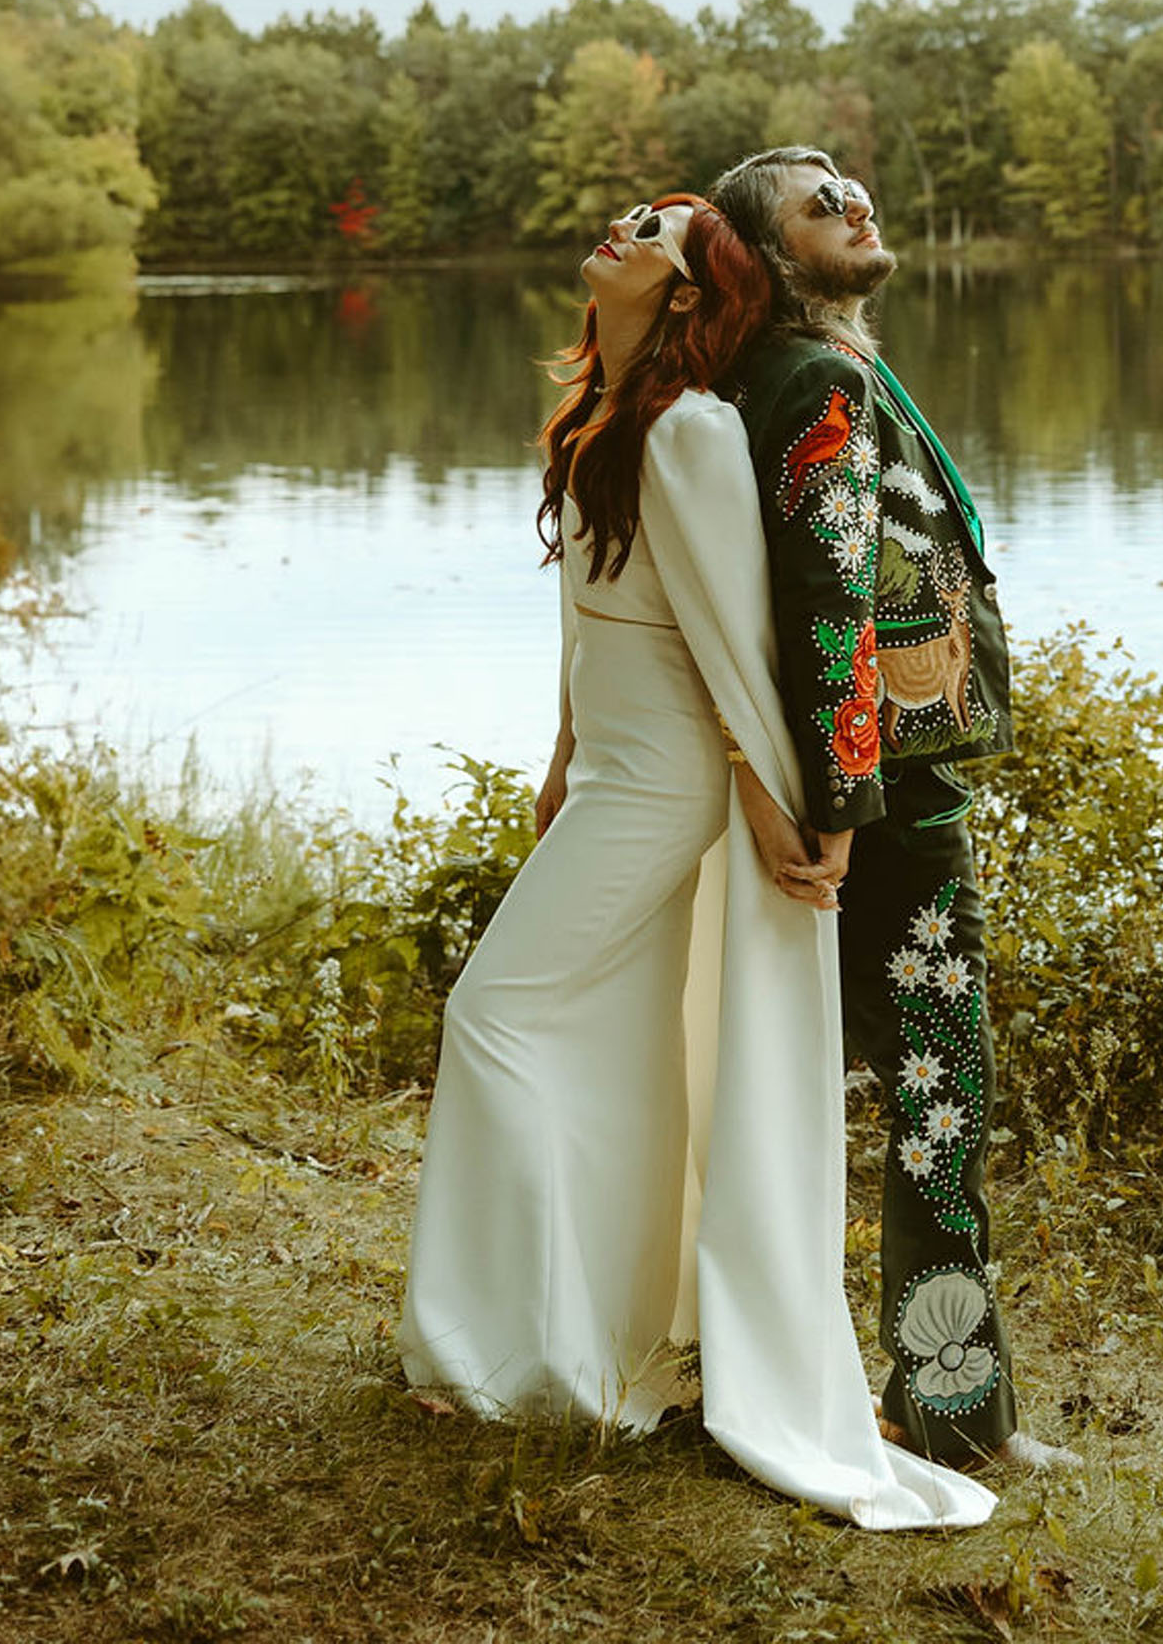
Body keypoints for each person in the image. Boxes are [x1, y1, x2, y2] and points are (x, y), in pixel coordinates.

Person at [396, 194, 993, 1531]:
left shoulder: (690, 429)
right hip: (606, 769)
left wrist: (762, 794)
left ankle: (499, 1352)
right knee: (610, 1052)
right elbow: (594, 611)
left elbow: (738, 638)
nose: (621, 227)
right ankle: (582, 1339)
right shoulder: (601, 412)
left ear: (685, 293)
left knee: (492, 1014)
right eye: (625, 214)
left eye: (655, 229)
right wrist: (555, 748)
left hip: (667, 783)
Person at [710, 146, 1058, 1471]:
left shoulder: (822, 364)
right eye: (816, 202)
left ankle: (890, 1393)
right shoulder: (815, 380)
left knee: (839, 1095)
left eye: (850, 182)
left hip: (872, 795)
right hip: (887, 811)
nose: (854, 198)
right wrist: (847, 800)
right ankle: (954, 1418)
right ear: (773, 257)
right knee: (940, 1095)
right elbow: (828, 595)